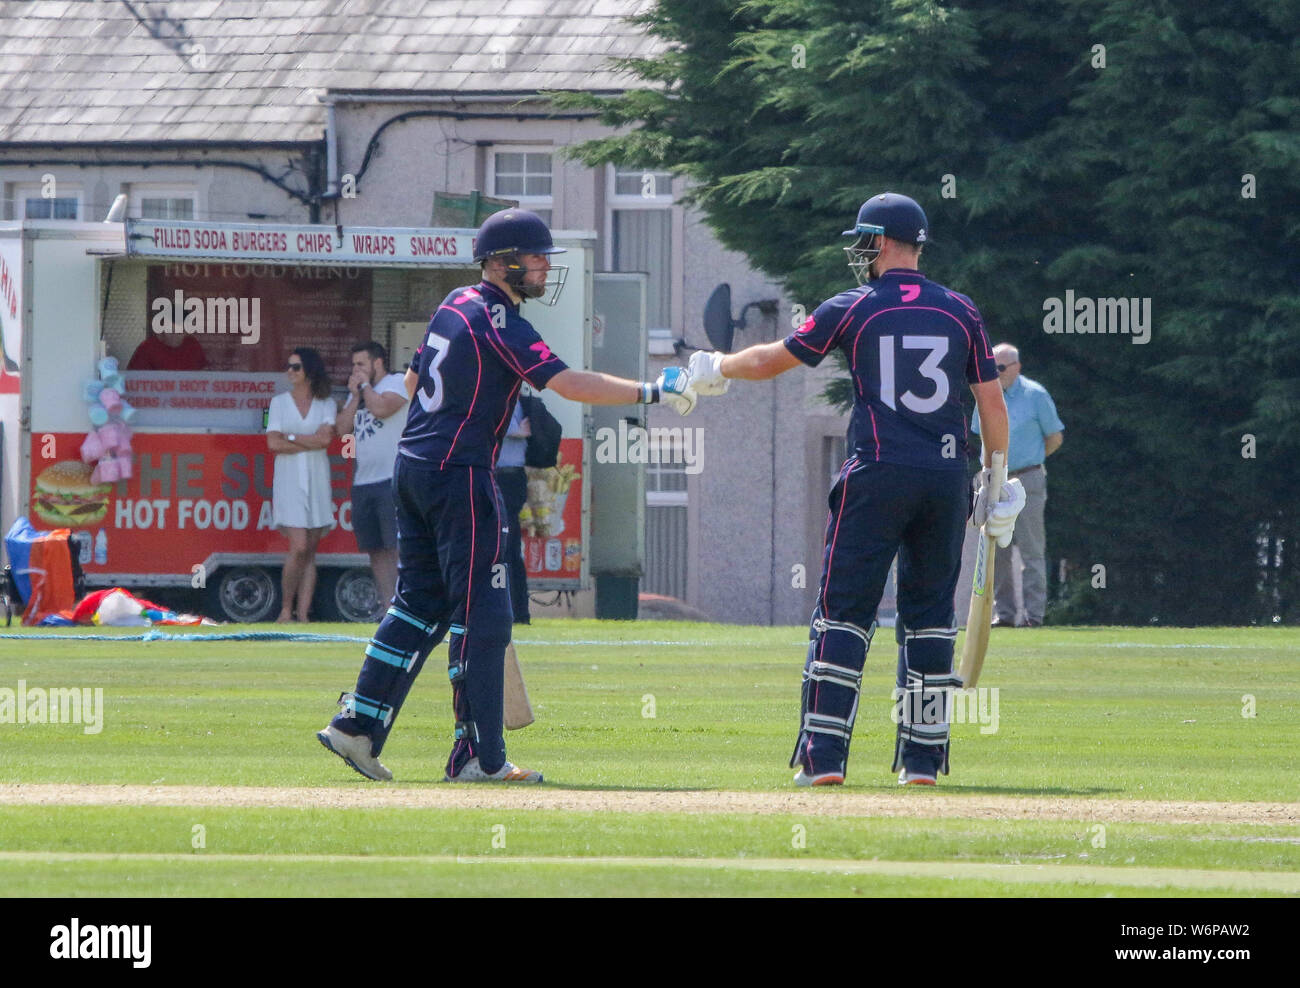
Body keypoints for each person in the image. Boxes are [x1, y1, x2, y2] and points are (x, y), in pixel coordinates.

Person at [316, 208, 696, 784]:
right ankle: (477, 756)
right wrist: (653, 389)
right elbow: (569, 383)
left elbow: (416, 382)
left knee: (419, 604)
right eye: (537, 257)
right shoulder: (500, 320)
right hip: (460, 476)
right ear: (504, 262)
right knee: (485, 614)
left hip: (413, 466)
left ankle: (358, 724)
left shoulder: (453, 302)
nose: (545, 267)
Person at [688, 192, 1026, 787]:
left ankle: (824, 760)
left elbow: (772, 361)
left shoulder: (855, 306)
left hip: (877, 473)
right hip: (945, 479)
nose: (860, 252)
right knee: (928, 620)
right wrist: (998, 479)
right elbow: (991, 403)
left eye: (865, 240)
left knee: (843, 615)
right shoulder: (961, 311)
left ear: (884, 243)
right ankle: (921, 762)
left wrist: (718, 365)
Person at [971, 343, 1064, 628]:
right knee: (998, 550)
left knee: (1032, 549)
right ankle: (1006, 614)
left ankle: (1034, 616)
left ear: (1016, 367)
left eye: (1000, 368)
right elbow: (979, 434)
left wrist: (1030, 462)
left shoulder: (1036, 395)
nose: (995, 373)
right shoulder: (986, 395)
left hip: (1029, 478)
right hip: (995, 478)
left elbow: (1054, 437)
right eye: (992, 367)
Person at [335, 341, 408, 612]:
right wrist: (355, 397)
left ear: (377, 363)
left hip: (392, 479)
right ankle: (389, 606)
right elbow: (342, 431)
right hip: (363, 481)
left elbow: (382, 409)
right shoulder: (358, 395)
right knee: (375, 548)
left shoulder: (397, 382)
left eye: (361, 364)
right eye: (353, 365)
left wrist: (365, 387)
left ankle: (407, 605)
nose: (355, 370)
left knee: (395, 545)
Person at [265, 347, 336, 623]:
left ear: (309, 370)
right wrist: (306, 438)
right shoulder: (279, 402)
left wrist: (291, 437)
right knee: (299, 546)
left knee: (310, 551)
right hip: (289, 480)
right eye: (289, 366)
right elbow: (273, 443)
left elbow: (325, 441)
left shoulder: (326, 403)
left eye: (296, 367)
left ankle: (303, 614)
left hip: (317, 479)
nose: (290, 372)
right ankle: (285, 609)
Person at [496, 397, 532, 625]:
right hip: (507, 476)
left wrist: (516, 432)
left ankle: (516, 611)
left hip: (506, 477)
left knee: (506, 548)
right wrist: (517, 432)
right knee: (506, 549)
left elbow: (497, 426)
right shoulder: (511, 400)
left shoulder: (505, 400)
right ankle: (516, 611)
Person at [127, 326, 208, 370]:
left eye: (179, 333)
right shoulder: (147, 348)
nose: (174, 337)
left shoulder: (192, 345)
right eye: (170, 331)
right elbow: (132, 380)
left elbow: (204, 374)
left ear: (186, 332)